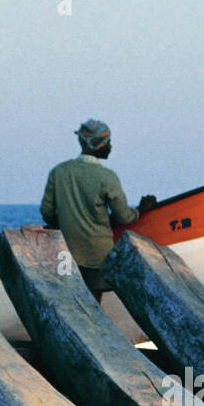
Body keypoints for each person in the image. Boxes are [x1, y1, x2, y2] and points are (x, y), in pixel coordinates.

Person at [40, 119, 157, 301]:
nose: (111, 146)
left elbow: (47, 212)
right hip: (97, 254)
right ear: (96, 144)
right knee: (94, 305)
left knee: (71, 303)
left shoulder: (59, 172)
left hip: (66, 252)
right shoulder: (107, 177)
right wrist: (141, 209)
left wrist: (67, 222)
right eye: (108, 142)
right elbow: (124, 217)